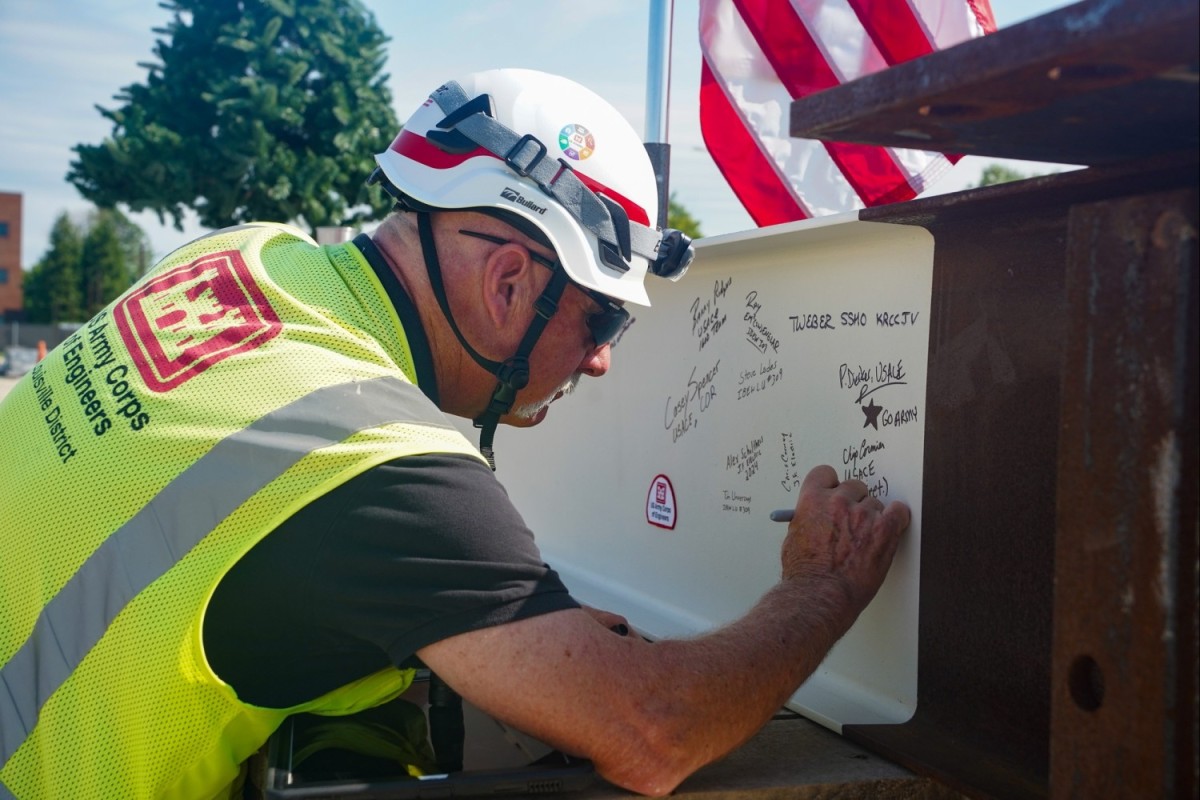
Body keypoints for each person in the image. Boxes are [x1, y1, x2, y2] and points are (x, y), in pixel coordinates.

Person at [0, 68, 908, 799]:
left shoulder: (242, 258)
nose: (599, 365)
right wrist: (820, 590)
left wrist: (484, 632)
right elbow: (652, 735)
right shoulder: (378, 457)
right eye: (601, 325)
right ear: (511, 281)